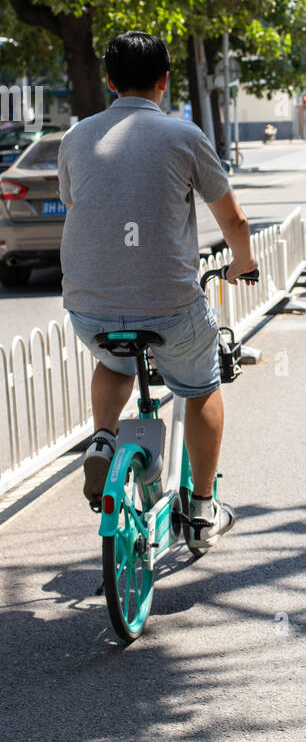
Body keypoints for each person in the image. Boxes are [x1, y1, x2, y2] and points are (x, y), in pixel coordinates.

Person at [58, 31, 258, 549]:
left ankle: (104, 438)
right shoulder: (184, 136)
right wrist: (245, 262)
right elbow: (233, 218)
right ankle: (200, 509)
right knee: (202, 384)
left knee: (114, 360)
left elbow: (81, 211)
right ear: (165, 82)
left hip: (89, 308)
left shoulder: (75, 138)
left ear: (108, 81)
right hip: (170, 309)